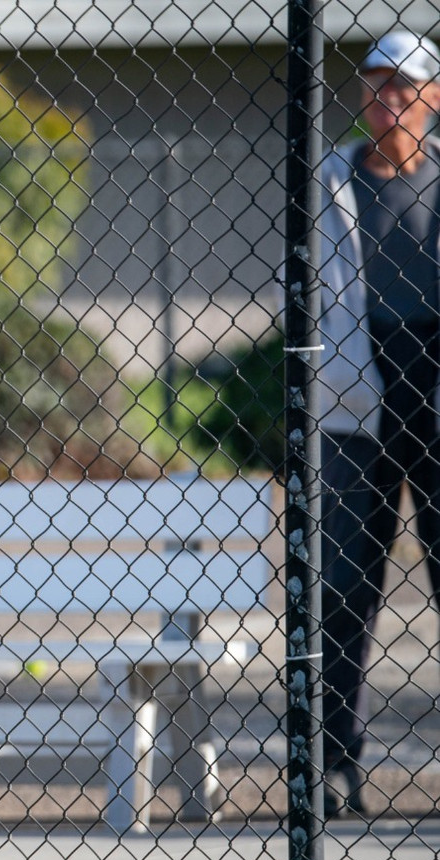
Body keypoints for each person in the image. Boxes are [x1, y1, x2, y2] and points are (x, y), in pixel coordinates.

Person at [315, 29, 440, 820]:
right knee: (343, 594)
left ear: (433, 96)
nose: (386, 97)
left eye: (403, 84)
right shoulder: (328, 179)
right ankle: (332, 765)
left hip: (437, 396)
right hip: (356, 406)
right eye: (375, 84)